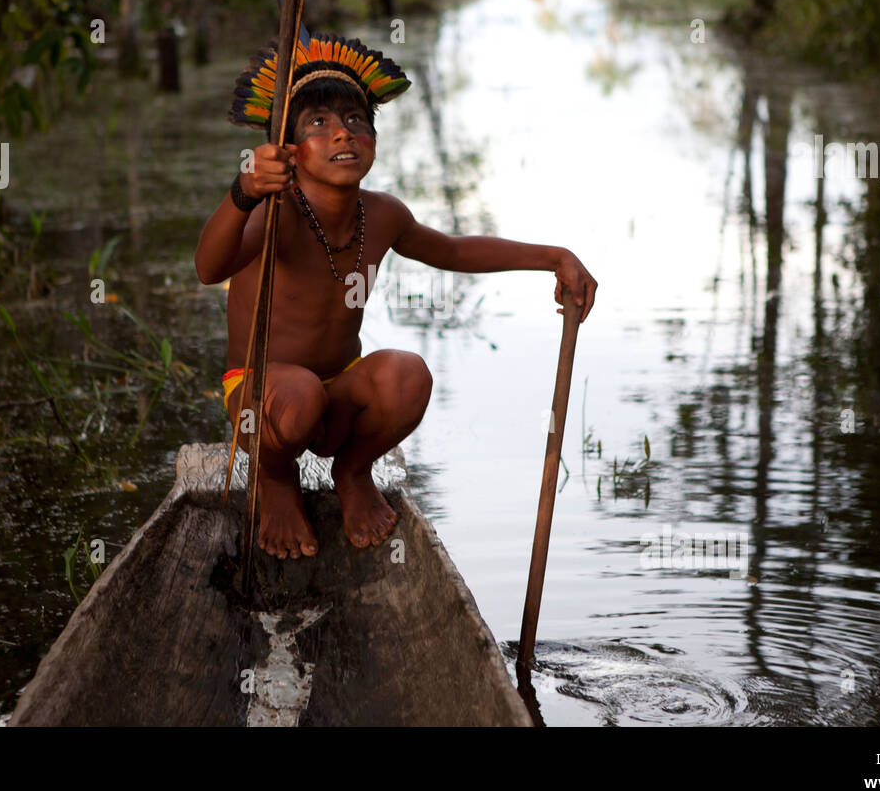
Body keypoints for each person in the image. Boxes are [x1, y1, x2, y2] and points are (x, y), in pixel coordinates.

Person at [195, 30, 597, 560]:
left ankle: (354, 471)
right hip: (262, 399)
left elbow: (453, 252)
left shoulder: (382, 214)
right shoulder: (275, 211)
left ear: (375, 142)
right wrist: (243, 192)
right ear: (289, 149)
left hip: (336, 391)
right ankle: (276, 480)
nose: (343, 134)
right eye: (319, 124)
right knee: (297, 396)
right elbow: (209, 267)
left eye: (356, 121)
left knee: (407, 374)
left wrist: (553, 256)